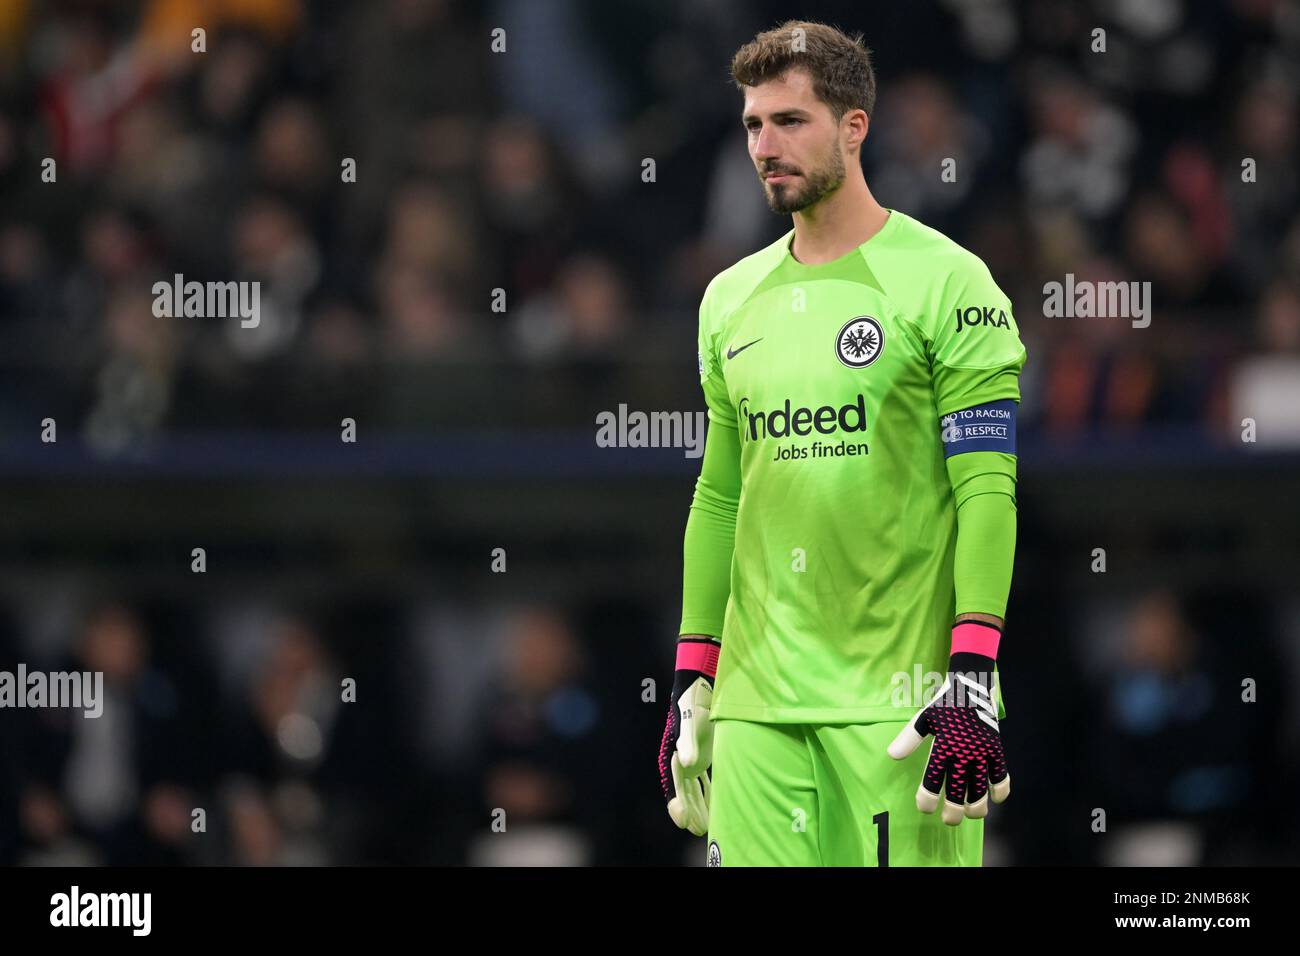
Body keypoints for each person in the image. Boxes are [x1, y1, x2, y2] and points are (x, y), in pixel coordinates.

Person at [657, 20, 1026, 866]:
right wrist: (693, 672)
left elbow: (986, 491)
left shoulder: (948, 282)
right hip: (757, 710)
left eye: (790, 121)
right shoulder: (728, 301)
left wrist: (972, 670)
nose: (765, 145)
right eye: (753, 124)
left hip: (902, 710)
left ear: (853, 127)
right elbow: (719, 497)